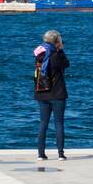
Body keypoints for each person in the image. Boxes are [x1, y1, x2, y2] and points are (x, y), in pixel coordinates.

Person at [34, 29, 69, 161]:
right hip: (58, 93)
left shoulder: (39, 54)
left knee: (43, 123)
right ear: (56, 41)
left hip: (42, 93)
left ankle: (40, 154)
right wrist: (61, 49)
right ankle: (60, 153)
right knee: (59, 123)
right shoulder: (57, 54)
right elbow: (67, 64)